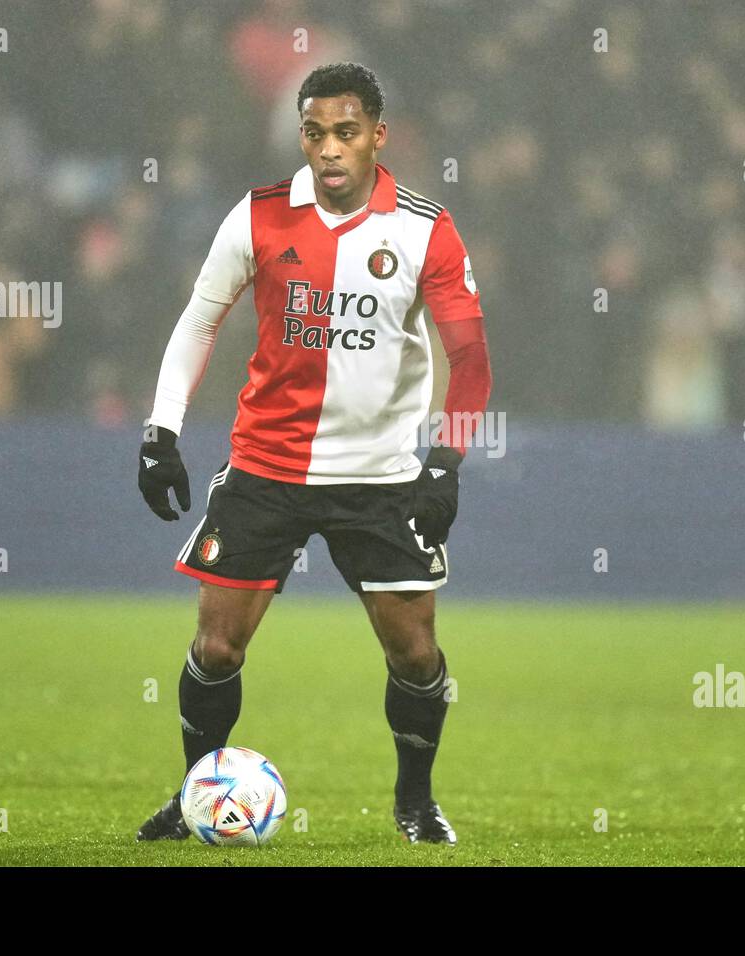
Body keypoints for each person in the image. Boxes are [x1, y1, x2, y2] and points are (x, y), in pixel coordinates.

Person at [135, 63, 492, 845]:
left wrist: (446, 461)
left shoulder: (425, 227)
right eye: (314, 133)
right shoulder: (259, 216)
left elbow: (470, 360)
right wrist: (161, 431)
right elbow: (199, 323)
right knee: (215, 645)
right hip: (268, 467)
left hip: (382, 477)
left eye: (345, 132)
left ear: (377, 136)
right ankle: (199, 794)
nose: (328, 150)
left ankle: (415, 802)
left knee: (417, 654)